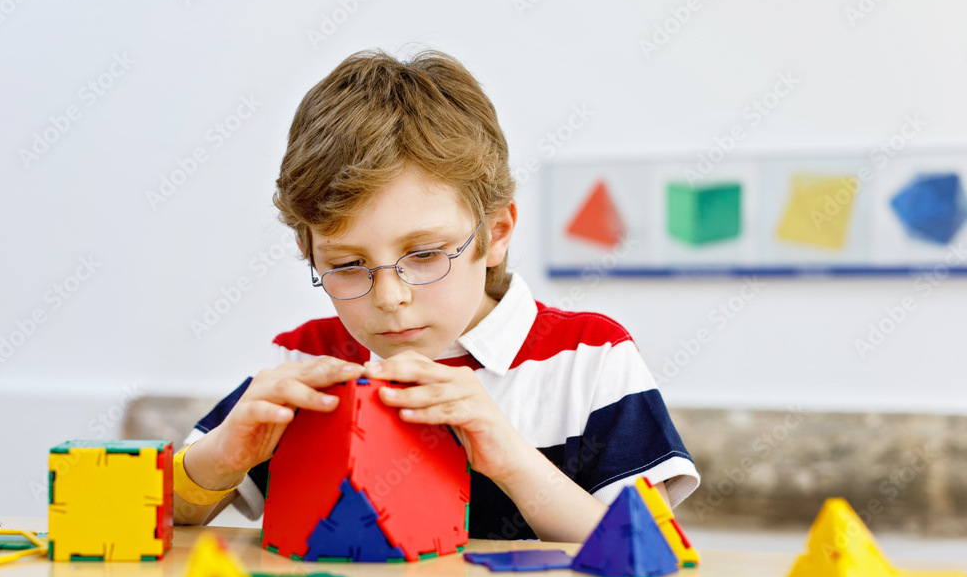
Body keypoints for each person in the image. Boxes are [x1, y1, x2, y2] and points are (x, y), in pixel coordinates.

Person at [172, 49, 699, 543]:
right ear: (309, 252)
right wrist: (220, 458)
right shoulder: (307, 360)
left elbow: (649, 548)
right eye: (347, 265)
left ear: (496, 233)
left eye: (424, 254)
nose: (390, 297)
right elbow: (164, 514)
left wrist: (511, 460)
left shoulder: (589, 358)